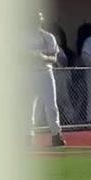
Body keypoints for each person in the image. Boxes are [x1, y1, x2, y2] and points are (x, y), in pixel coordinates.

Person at [31, 12, 66, 147]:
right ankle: (27, 135)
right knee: (29, 106)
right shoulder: (22, 38)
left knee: (51, 105)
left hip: (45, 72)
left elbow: (54, 58)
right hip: (28, 73)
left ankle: (56, 134)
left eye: (38, 19)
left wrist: (43, 58)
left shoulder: (48, 37)